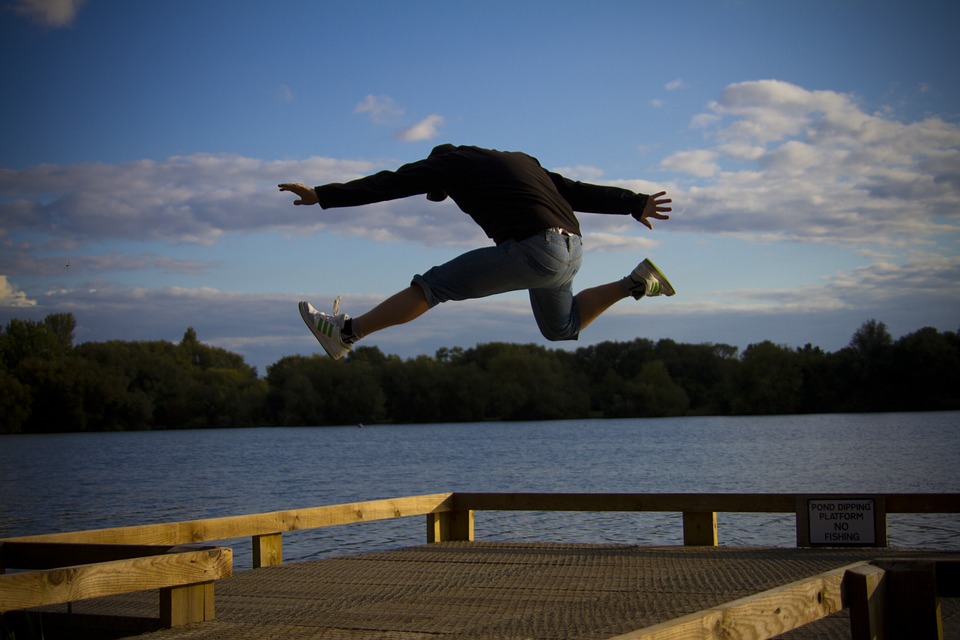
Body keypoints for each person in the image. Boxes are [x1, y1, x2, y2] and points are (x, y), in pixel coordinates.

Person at [279, 143, 675, 360]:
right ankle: (636, 282)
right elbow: (572, 189)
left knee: (433, 286)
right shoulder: (522, 161)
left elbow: (391, 183)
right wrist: (633, 202)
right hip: (572, 249)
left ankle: (345, 333)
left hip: (536, 249)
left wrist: (323, 195)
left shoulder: (448, 164)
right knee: (562, 328)